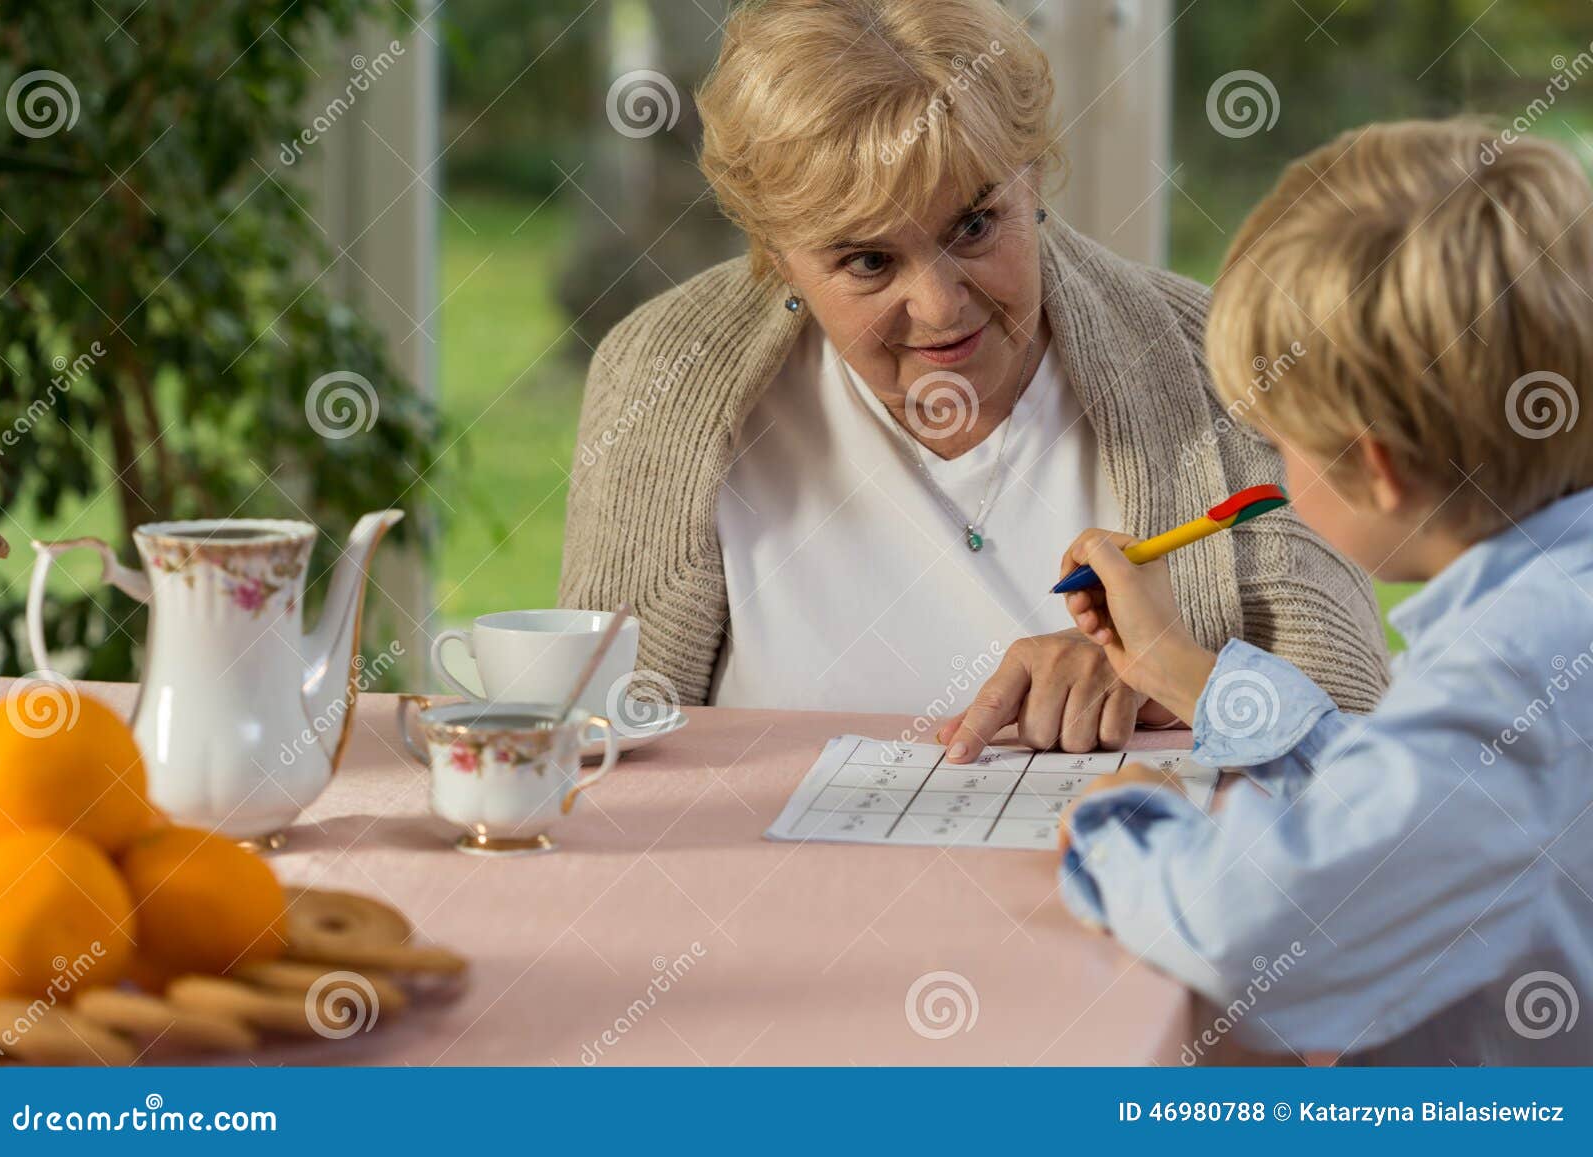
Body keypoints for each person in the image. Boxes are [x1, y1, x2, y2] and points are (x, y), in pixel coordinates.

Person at [560, 0, 1388, 749]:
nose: (940, 306)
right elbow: (586, 735)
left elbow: (1366, 736)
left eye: (975, 225)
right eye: (869, 260)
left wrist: (1172, 685)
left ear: (1034, 177)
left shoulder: (1223, 363)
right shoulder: (660, 374)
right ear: (778, 257)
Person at [1055, 120, 1593, 1063]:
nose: (1276, 466)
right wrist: (1188, 671)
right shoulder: (1553, 613)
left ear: (1377, 468)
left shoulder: (1516, 661)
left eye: (1285, 440)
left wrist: (1124, 817)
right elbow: (1424, 802)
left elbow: (1254, 929)